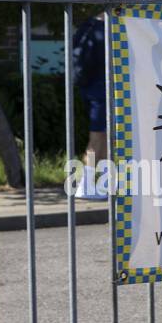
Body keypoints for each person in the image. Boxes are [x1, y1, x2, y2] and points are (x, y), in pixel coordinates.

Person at [71, 11, 108, 200]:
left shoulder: (87, 27)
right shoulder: (101, 30)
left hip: (94, 90)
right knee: (98, 138)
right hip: (101, 91)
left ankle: (103, 183)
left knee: (107, 138)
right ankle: (85, 185)